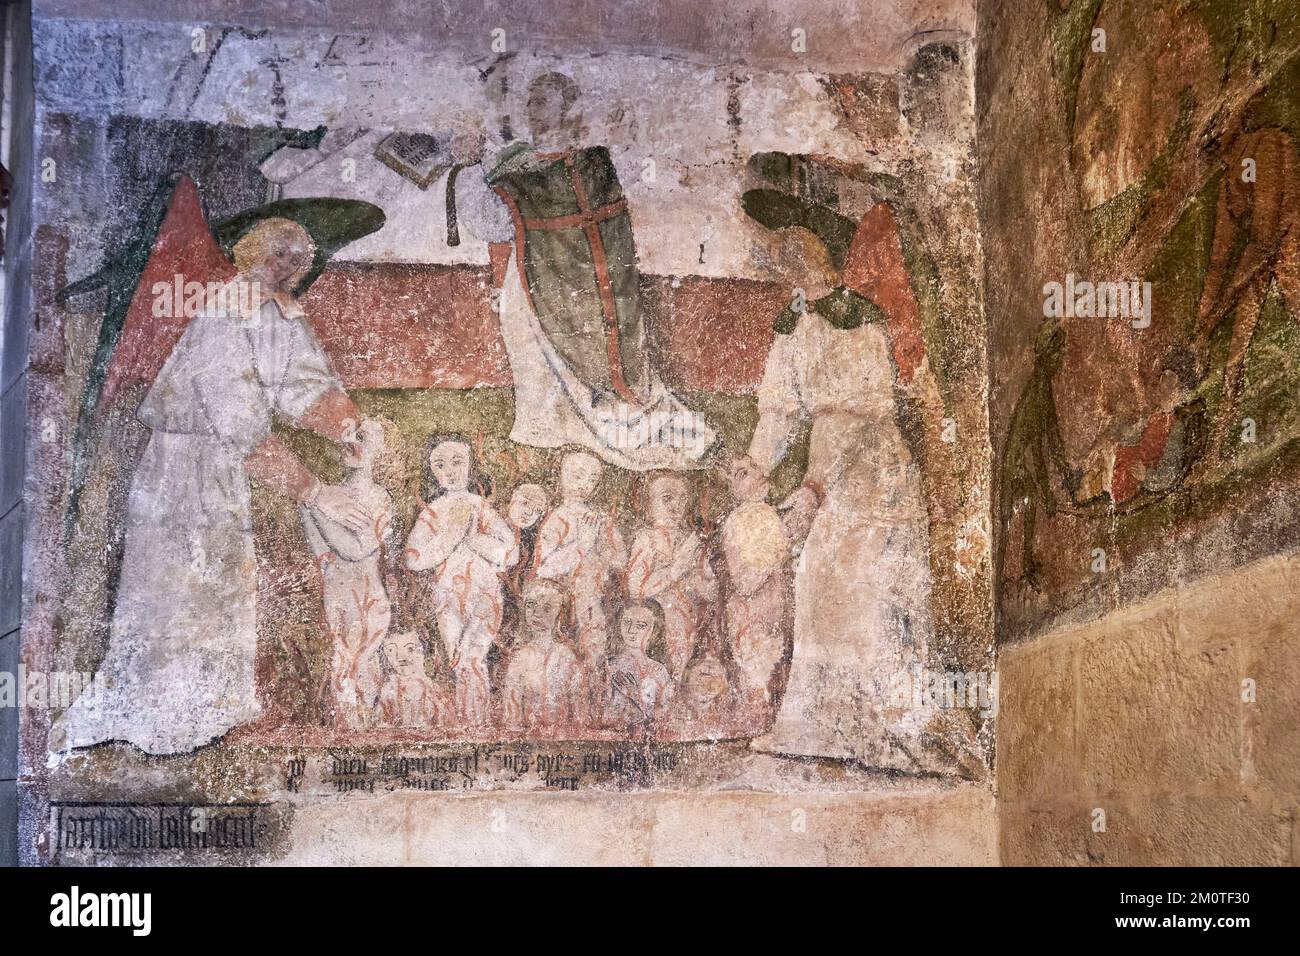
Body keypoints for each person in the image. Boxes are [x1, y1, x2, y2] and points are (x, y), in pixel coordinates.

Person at [51, 217, 367, 756]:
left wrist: (347, 426)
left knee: (223, 588)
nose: (288, 264)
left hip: (220, 471)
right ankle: (155, 718)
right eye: (279, 251)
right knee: (173, 591)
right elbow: (239, 421)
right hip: (181, 466)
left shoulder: (280, 314)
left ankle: (208, 714)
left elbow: (304, 380)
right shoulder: (225, 309)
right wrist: (317, 491)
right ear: (251, 252)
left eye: (299, 257)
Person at [744, 226, 937, 768]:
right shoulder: (792, 324)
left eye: (801, 247)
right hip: (829, 473)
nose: (791, 260)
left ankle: (888, 729)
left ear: (821, 253)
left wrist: (812, 486)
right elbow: (779, 408)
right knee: (818, 583)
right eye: (782, 254)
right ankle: (823, 728)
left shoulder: (858, 317)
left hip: (873, 473)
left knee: (870, 589)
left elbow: (859, 414)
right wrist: (755, 466)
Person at [482, 71, 715, 470]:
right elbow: (489, 221)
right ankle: (549, 434)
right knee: (540, 364)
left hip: (593, 291)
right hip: (533, 282)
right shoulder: (514, 164)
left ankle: (630, 425)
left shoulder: (594, 161)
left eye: (547, 103)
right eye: (532, 103)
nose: (537, 112)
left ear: (569, 111)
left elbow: (616, 230)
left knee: (619, 383)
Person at [403, 437, 517, 730]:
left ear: (470, 465)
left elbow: (511, 552)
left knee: (473, 657)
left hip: (484, 595)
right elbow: (413, 558)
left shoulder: (479, 506)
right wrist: (449, 537)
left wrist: (473, 539)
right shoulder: (433, 511)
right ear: (432, 472)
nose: (450, 471)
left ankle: (476, 727)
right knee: (458, 662)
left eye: (457, 462)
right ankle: (469, 728)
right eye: (440, 465)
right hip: (446, 598)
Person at [301, 416, 402, 730]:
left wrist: (319, 508)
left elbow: (356, 549)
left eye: (362, 436)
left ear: (381, 452)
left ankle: (365, 737)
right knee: (342, 670)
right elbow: (327, 553)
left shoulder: (380, 498)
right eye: (348, 432)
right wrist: (317, 504)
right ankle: (349, 738)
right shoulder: (317, 498)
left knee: (364, 669)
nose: (350, 440)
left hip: (370, 602)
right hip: (338, 599)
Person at [534, 450, 626, 681]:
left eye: (593, 479)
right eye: (577, 475)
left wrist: (604, 550)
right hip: (562, 603)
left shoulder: (600, 519)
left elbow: (621, 559)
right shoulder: (556, 518)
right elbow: (544, 568)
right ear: (561, 475)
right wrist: (582, 545)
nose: (584, 484)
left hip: (595, 600)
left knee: (594, 655)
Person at [625, 474, 717, 682]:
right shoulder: (646, 538)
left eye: (682, 499)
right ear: (649, 503)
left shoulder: (691, 541)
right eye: (667, 498)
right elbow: (636, 589)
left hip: (688, 626)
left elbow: (711, 590)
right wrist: (676, 569)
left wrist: (696, 580)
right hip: (657, 630)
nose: (676, 506)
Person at [500, 578, 584, 733]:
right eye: (531, 605)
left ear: (560, 614)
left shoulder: (567, 657)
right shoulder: (519, 660)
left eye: (547, 608)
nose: (537, 614)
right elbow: (512, 718)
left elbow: (579, 715)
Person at [603, 601, 675, 733]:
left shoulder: (659, 671)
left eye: (641, 625)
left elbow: (666, 717)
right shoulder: (607, 665)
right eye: (626, 622)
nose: (631, 630)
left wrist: (635, 695)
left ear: (655, 630)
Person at [375, 631, 445, 729]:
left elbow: (445, 723)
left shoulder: (432, 690)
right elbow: (380, 723)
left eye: (410, 649)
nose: (400, 657)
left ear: (423, 652)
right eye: (391, 650)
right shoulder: (389, 689)